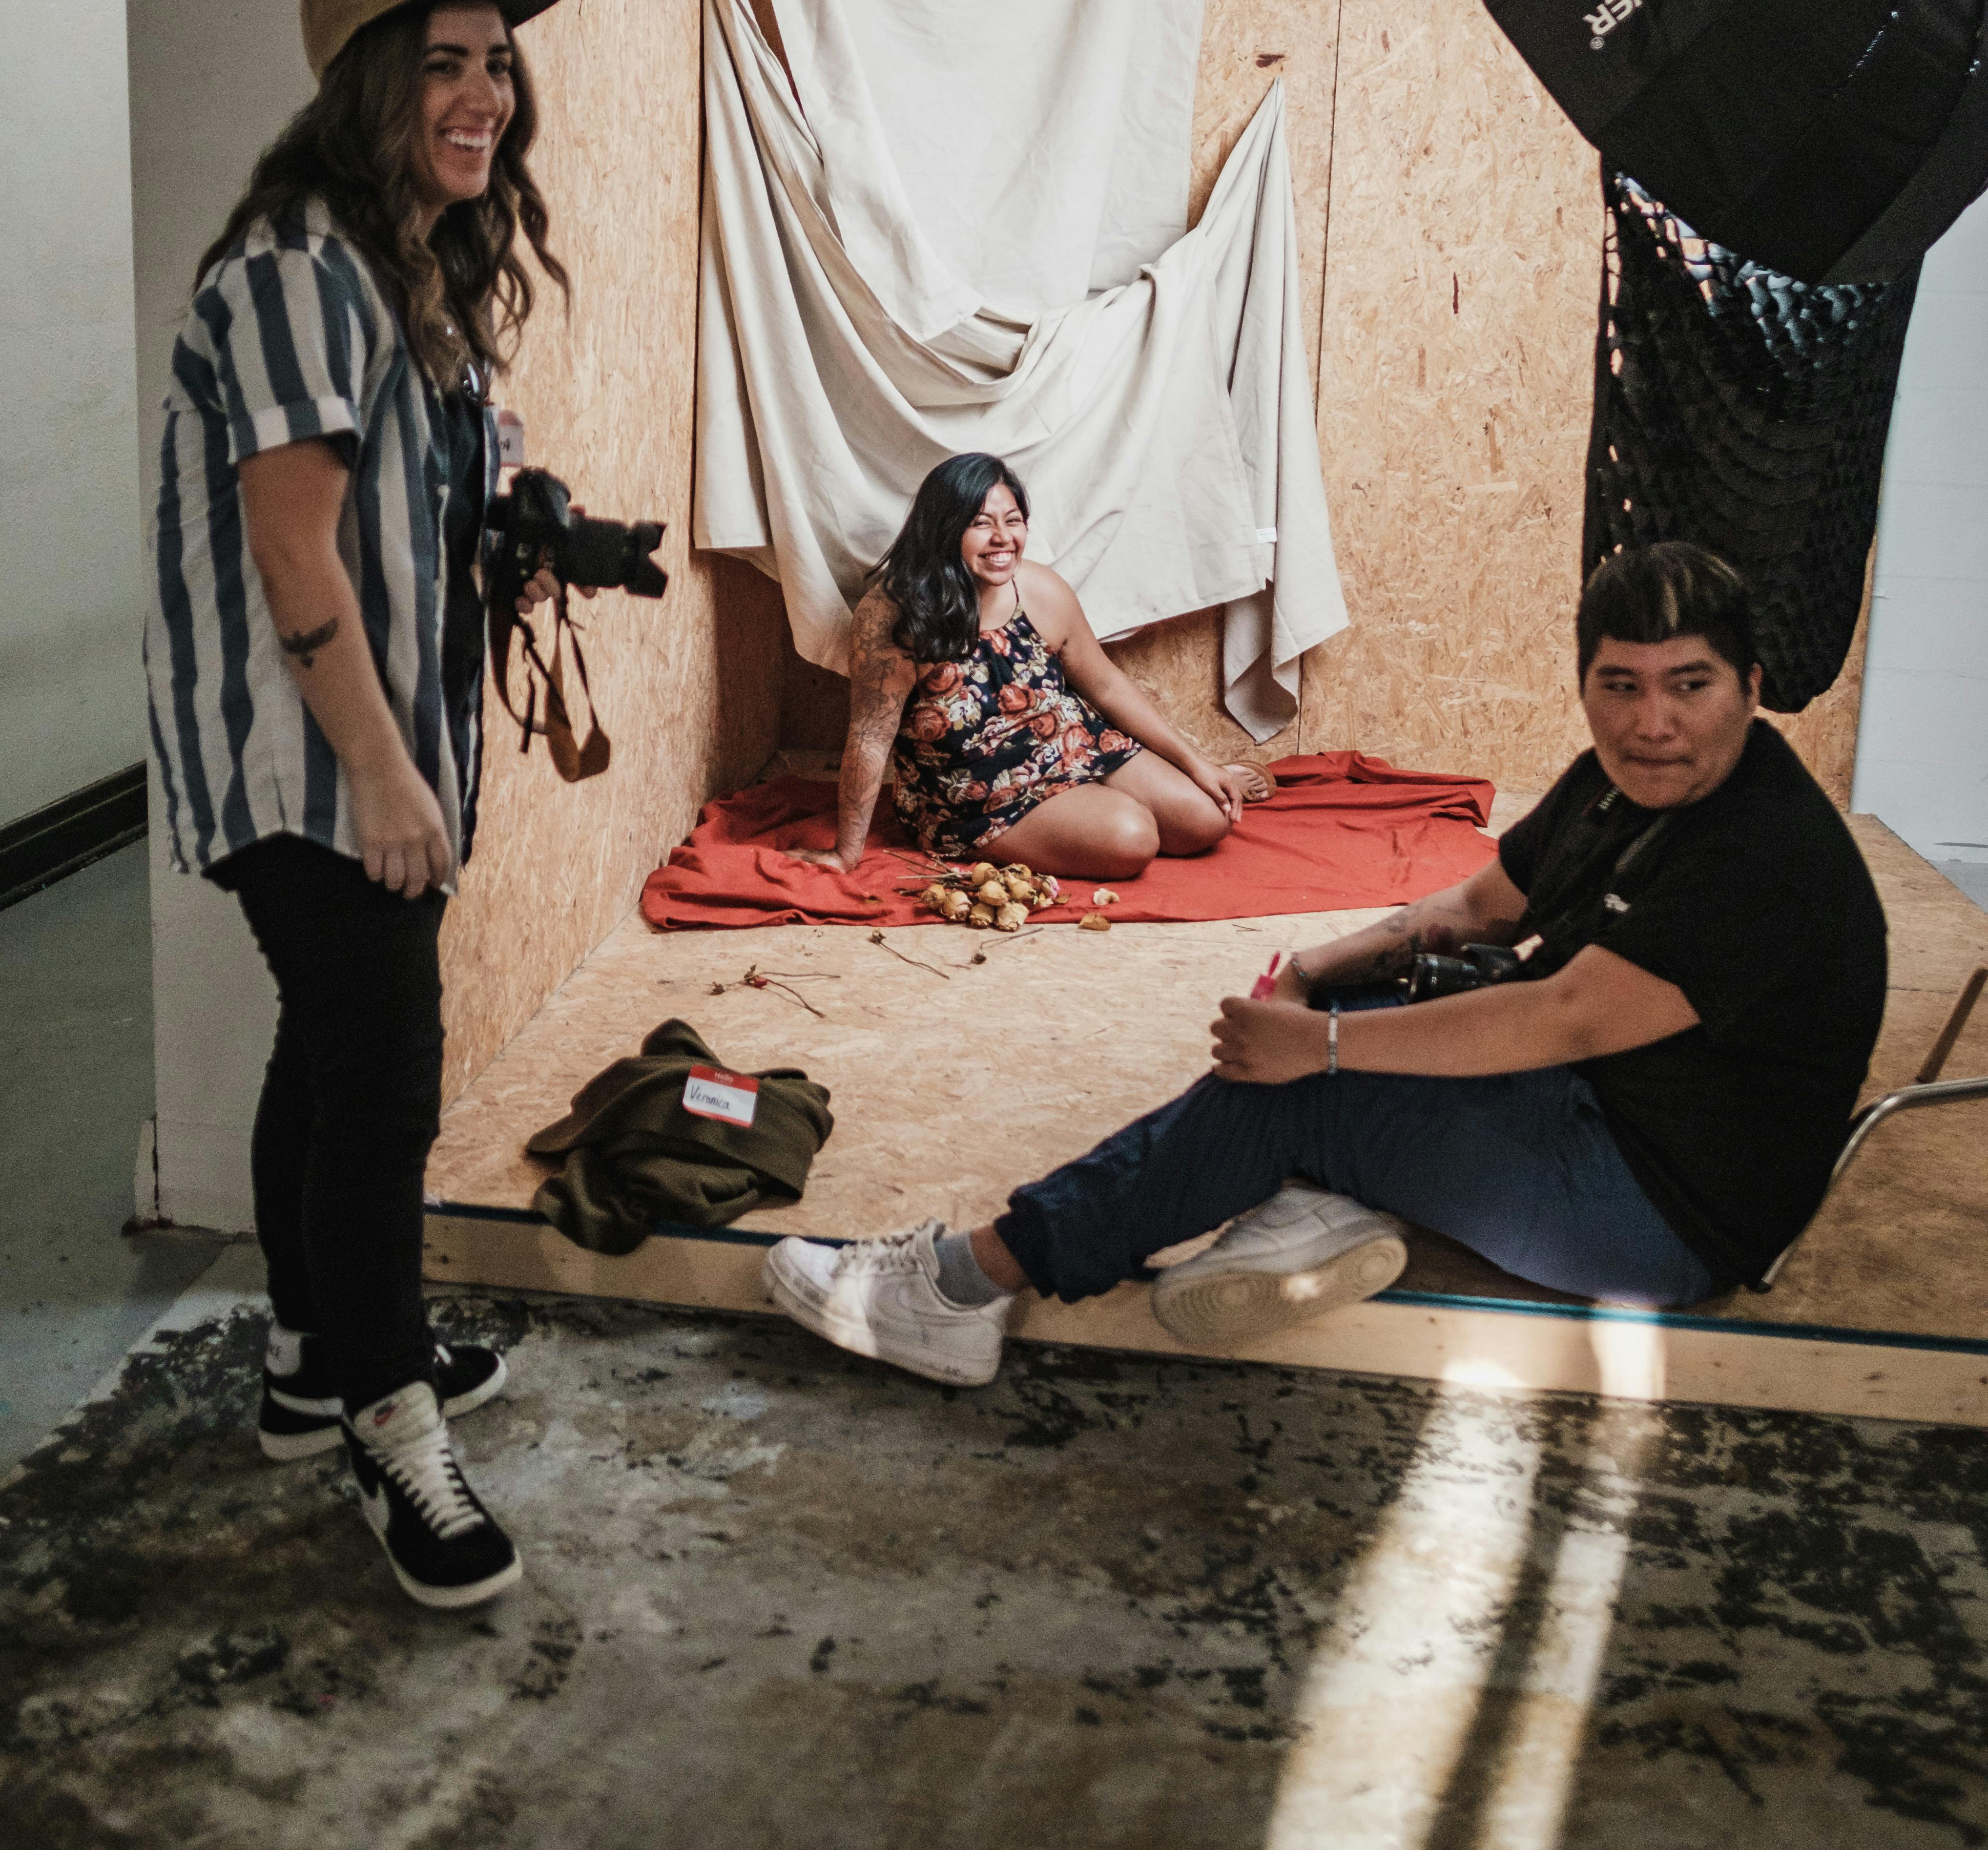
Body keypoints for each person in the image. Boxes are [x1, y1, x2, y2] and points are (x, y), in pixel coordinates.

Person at [761, 543, 1889, 1383]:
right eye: (1621, 685)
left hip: (1665, 1210)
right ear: (1587, 680)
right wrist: (1317, 967)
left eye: (1689, 685)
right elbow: (1480, 905)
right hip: (1606, 1104)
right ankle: (1325, 1207)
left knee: (1299, 1091)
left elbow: (1565, 1019)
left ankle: (966, 1286)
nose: (1653, 722)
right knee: (1373, 988)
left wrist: (1322, 1043)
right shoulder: (1621, 777)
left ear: (1749, 683)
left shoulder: (1761, 856)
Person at [146, 0, 575, 1610]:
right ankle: (390, 1424)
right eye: (443, 64)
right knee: (387, 1076)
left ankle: (311, 1360)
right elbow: (294, 552)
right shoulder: (294, 273)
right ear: (363, 88)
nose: (482, 96)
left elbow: (405, 509)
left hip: (378, 745)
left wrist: (514, 531)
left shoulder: (407, 267)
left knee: (327, 1056)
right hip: (310, 762)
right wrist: (389, 781)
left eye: (495, 61)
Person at [800, 452, 1268, 884]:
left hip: (1068, 744)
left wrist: (1197, 765)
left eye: (1014, 521)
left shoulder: (1042, 588)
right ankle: (1104, 811)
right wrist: (847, 852)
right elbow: (870, 735)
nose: (1003, 539)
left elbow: (1105, 685)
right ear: (943, 529)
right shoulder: (895, 614)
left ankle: (1185, 785)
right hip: (973, 791)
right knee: (1133, 839)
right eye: (981, 524)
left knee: (1207, 820)